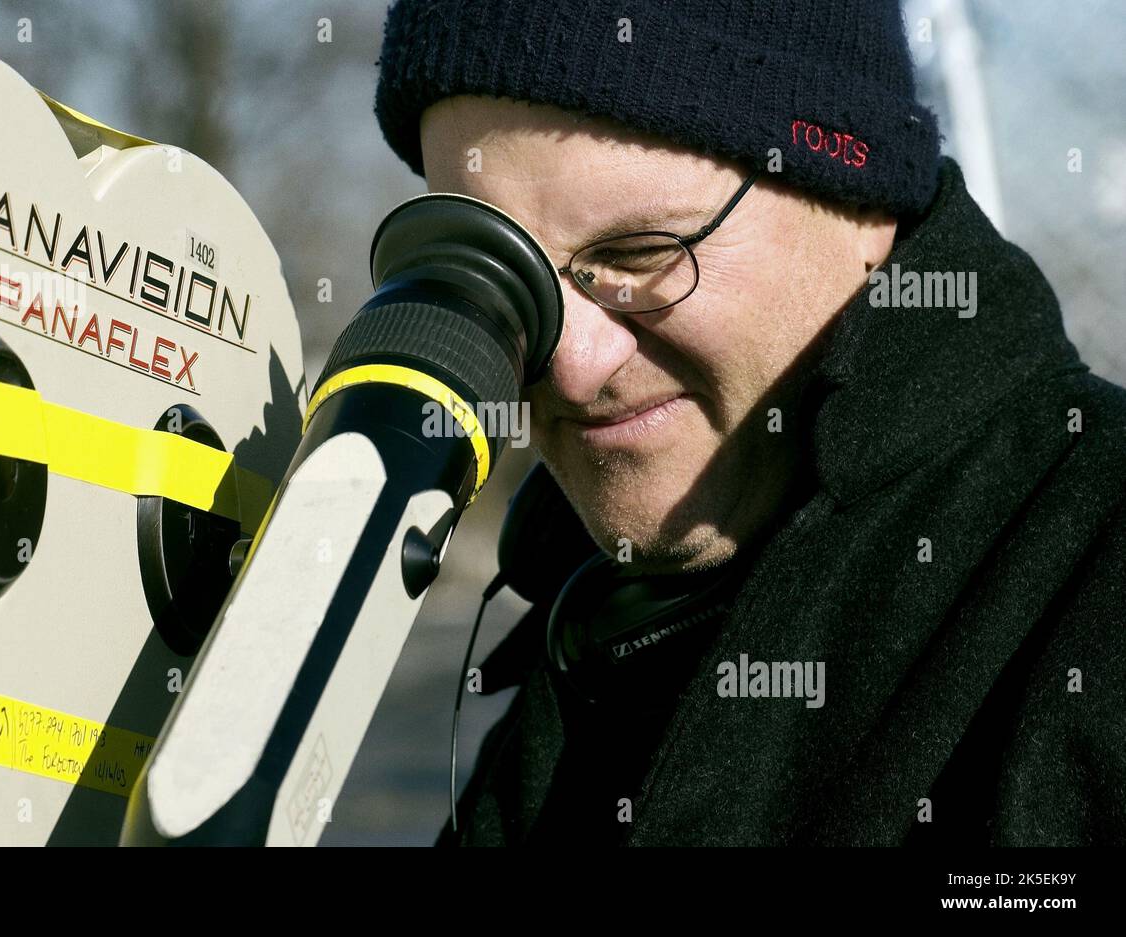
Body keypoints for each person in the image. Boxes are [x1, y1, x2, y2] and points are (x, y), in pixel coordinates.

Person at [374, 0, 1126, 845]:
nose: (571, 366)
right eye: (510, 288)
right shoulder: (582, 619)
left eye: (640, 255)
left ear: (860, 196)